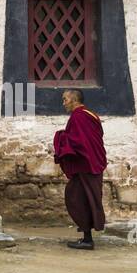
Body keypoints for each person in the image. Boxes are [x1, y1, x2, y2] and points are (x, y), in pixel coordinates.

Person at [52, 88, 107, 249]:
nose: (63, 104)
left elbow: (78, 142)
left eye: (65, 100)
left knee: (80, 199)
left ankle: (88, 240)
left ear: (74, 100)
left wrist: (60, 137)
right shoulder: (91, 115)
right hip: (93, 162)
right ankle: (86, 237)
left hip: (86, 165)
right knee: (82, 197)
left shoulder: (79, 116)